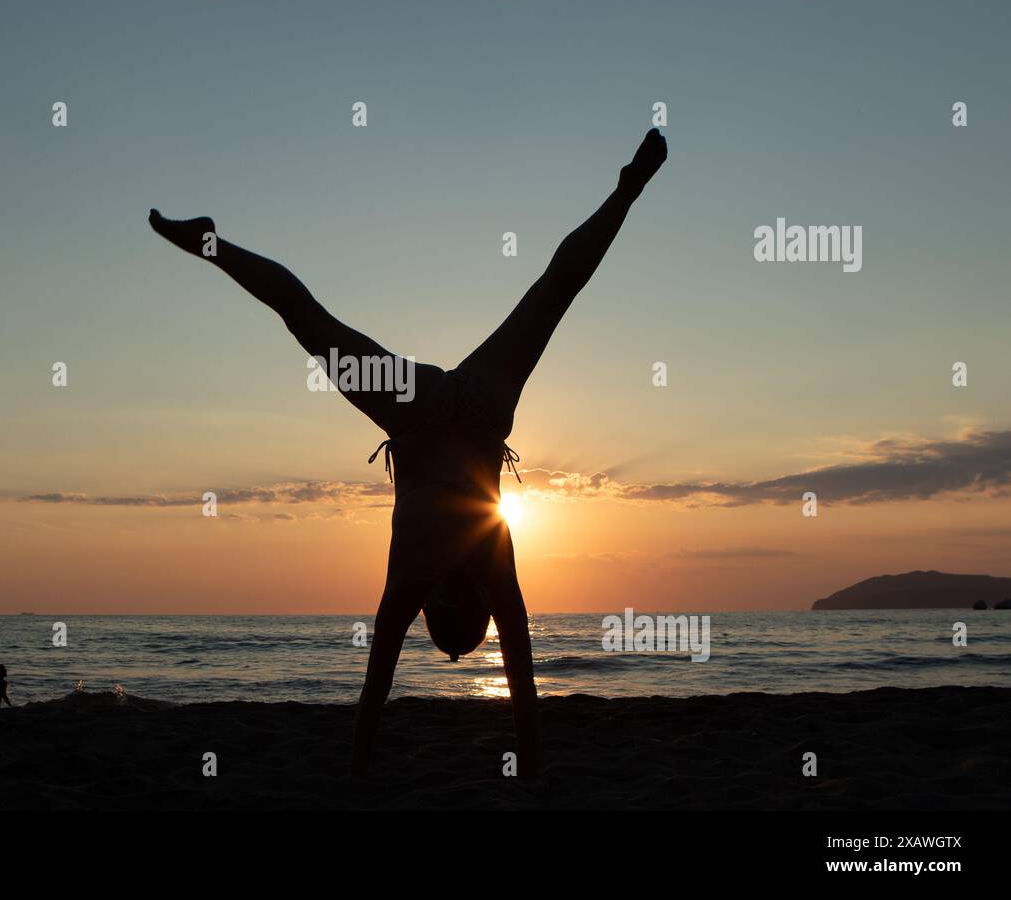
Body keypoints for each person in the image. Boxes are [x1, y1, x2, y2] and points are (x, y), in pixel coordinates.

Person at [150, 128, 667, 777]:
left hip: (471, 410)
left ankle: (627, 191)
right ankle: (211, 243)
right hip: (420, 412)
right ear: (435, 611)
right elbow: (379, 697)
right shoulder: (415, 579)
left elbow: (523, 697)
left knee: (552, 291)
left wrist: (531, 773)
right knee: (308, 319)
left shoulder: (491, 571)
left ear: (471, 610)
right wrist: (360, 776)